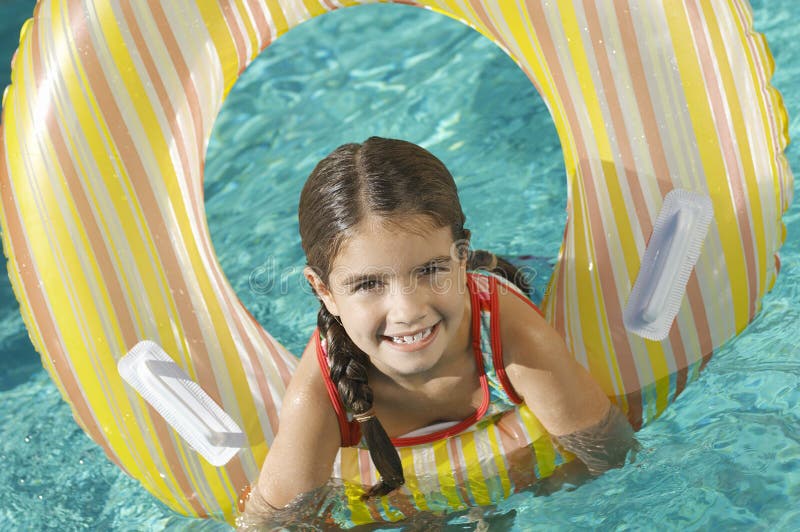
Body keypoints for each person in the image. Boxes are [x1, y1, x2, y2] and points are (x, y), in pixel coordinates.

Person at [241, 137, 635, 523]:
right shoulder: (320, 395)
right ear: (323, 290)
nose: (408, 311)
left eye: (430, 270)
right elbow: (269, 523)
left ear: (461, 259)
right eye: (368, 284)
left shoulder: (511, 336)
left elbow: (612, 458)